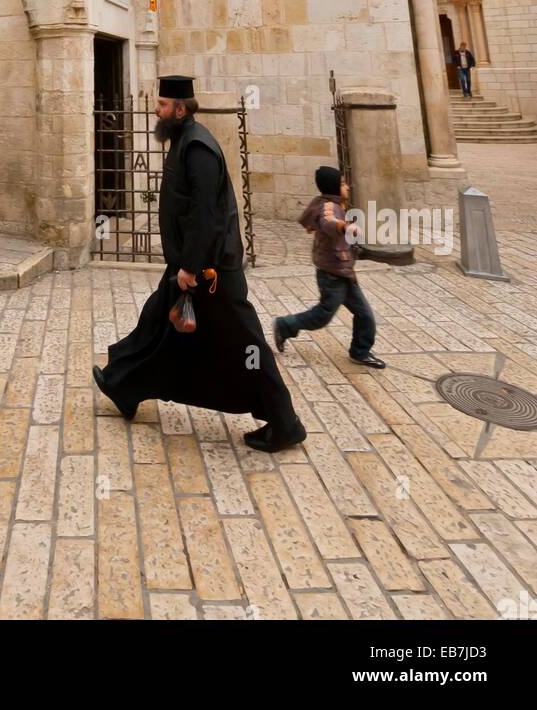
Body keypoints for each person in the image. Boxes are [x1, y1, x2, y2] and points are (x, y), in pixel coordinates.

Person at [92, 75, 306, 453]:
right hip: (190, 266)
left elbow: (206, 216)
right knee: (157, 321)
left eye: (161, 104)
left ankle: (285, 423)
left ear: (180, 108)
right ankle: (122, 384)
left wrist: (190, 267)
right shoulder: (183, 141)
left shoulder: (198, 148)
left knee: (246, 346)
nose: (155, 110)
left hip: (211, 274)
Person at [273, 166, 385, 368]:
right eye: (342, 183)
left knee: (365, 314)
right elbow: (328, 222)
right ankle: (285, 325)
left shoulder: (334, 203)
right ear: (333, 187)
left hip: (342, 272)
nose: (347, 187)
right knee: (322, 316)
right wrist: (344, 227)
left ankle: (360, 352)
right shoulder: (329, 207)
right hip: (332, 275)